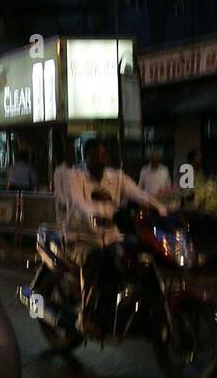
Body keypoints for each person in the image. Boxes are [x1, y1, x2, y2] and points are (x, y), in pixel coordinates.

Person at [61, 137, 166, 337]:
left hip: (110, 238)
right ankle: (86, 315)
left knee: (134, 258)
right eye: (94, 155)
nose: (99, 159)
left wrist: (161, 208)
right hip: (80, 238)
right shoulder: (75, 176)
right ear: (85, 157)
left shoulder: (116, 178)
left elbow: (139, 194)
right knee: (94, 258)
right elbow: (77, 202)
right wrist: (94, 214)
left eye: (102, 155)